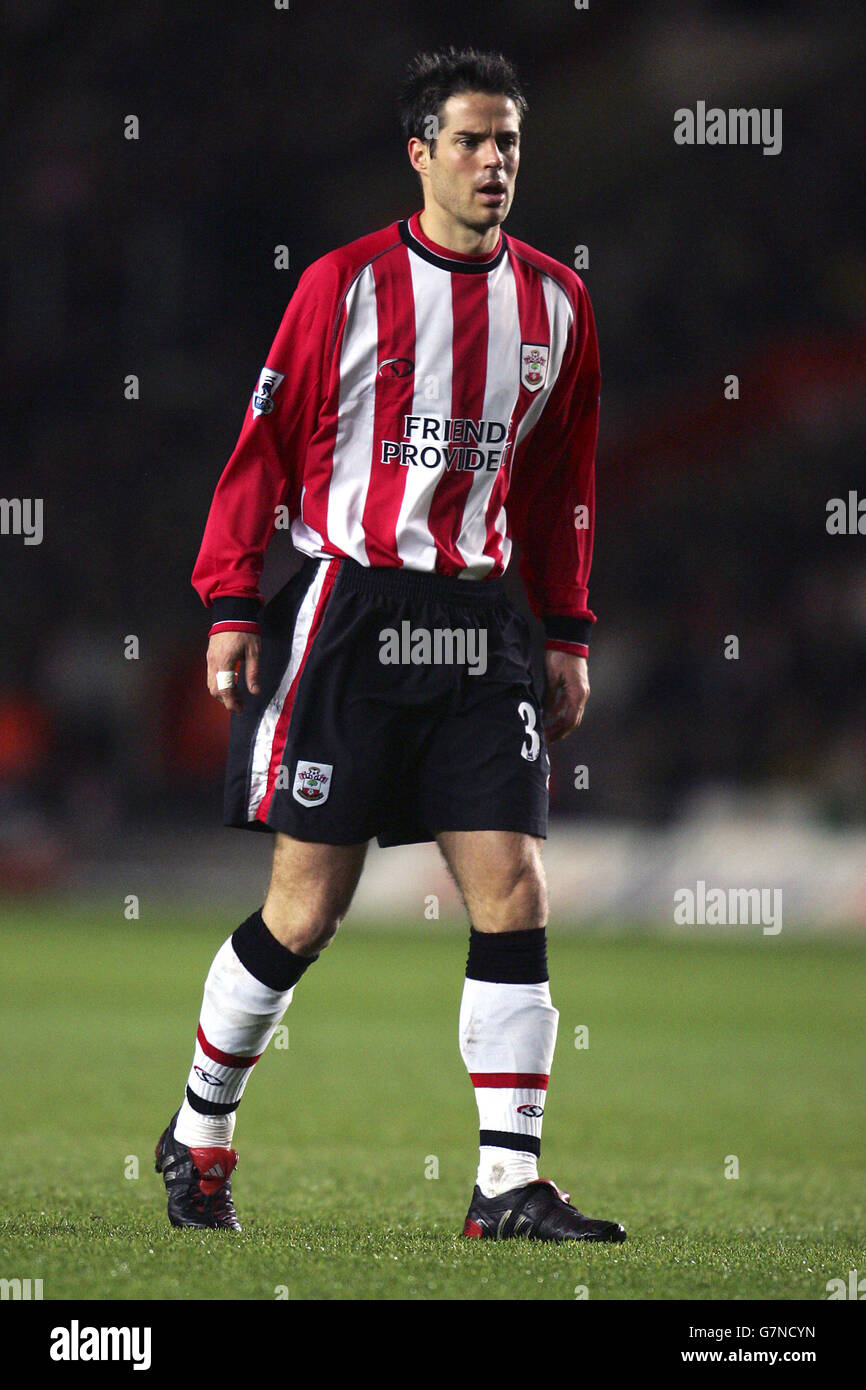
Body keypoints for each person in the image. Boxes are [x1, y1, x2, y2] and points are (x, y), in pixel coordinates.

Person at [155, 46, 626, 1244]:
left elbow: (565, 478)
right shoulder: (344, 285)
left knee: (512, 885)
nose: (492, 162)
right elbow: (259, 447)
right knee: (304, 911)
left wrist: (563, 627)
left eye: (508, 142)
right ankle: (201, 1128)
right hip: (350, 614)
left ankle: (506, 1184)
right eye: (468, 140)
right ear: (418, 153)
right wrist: (226, 601)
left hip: (479, 623)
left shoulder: (556, 304)